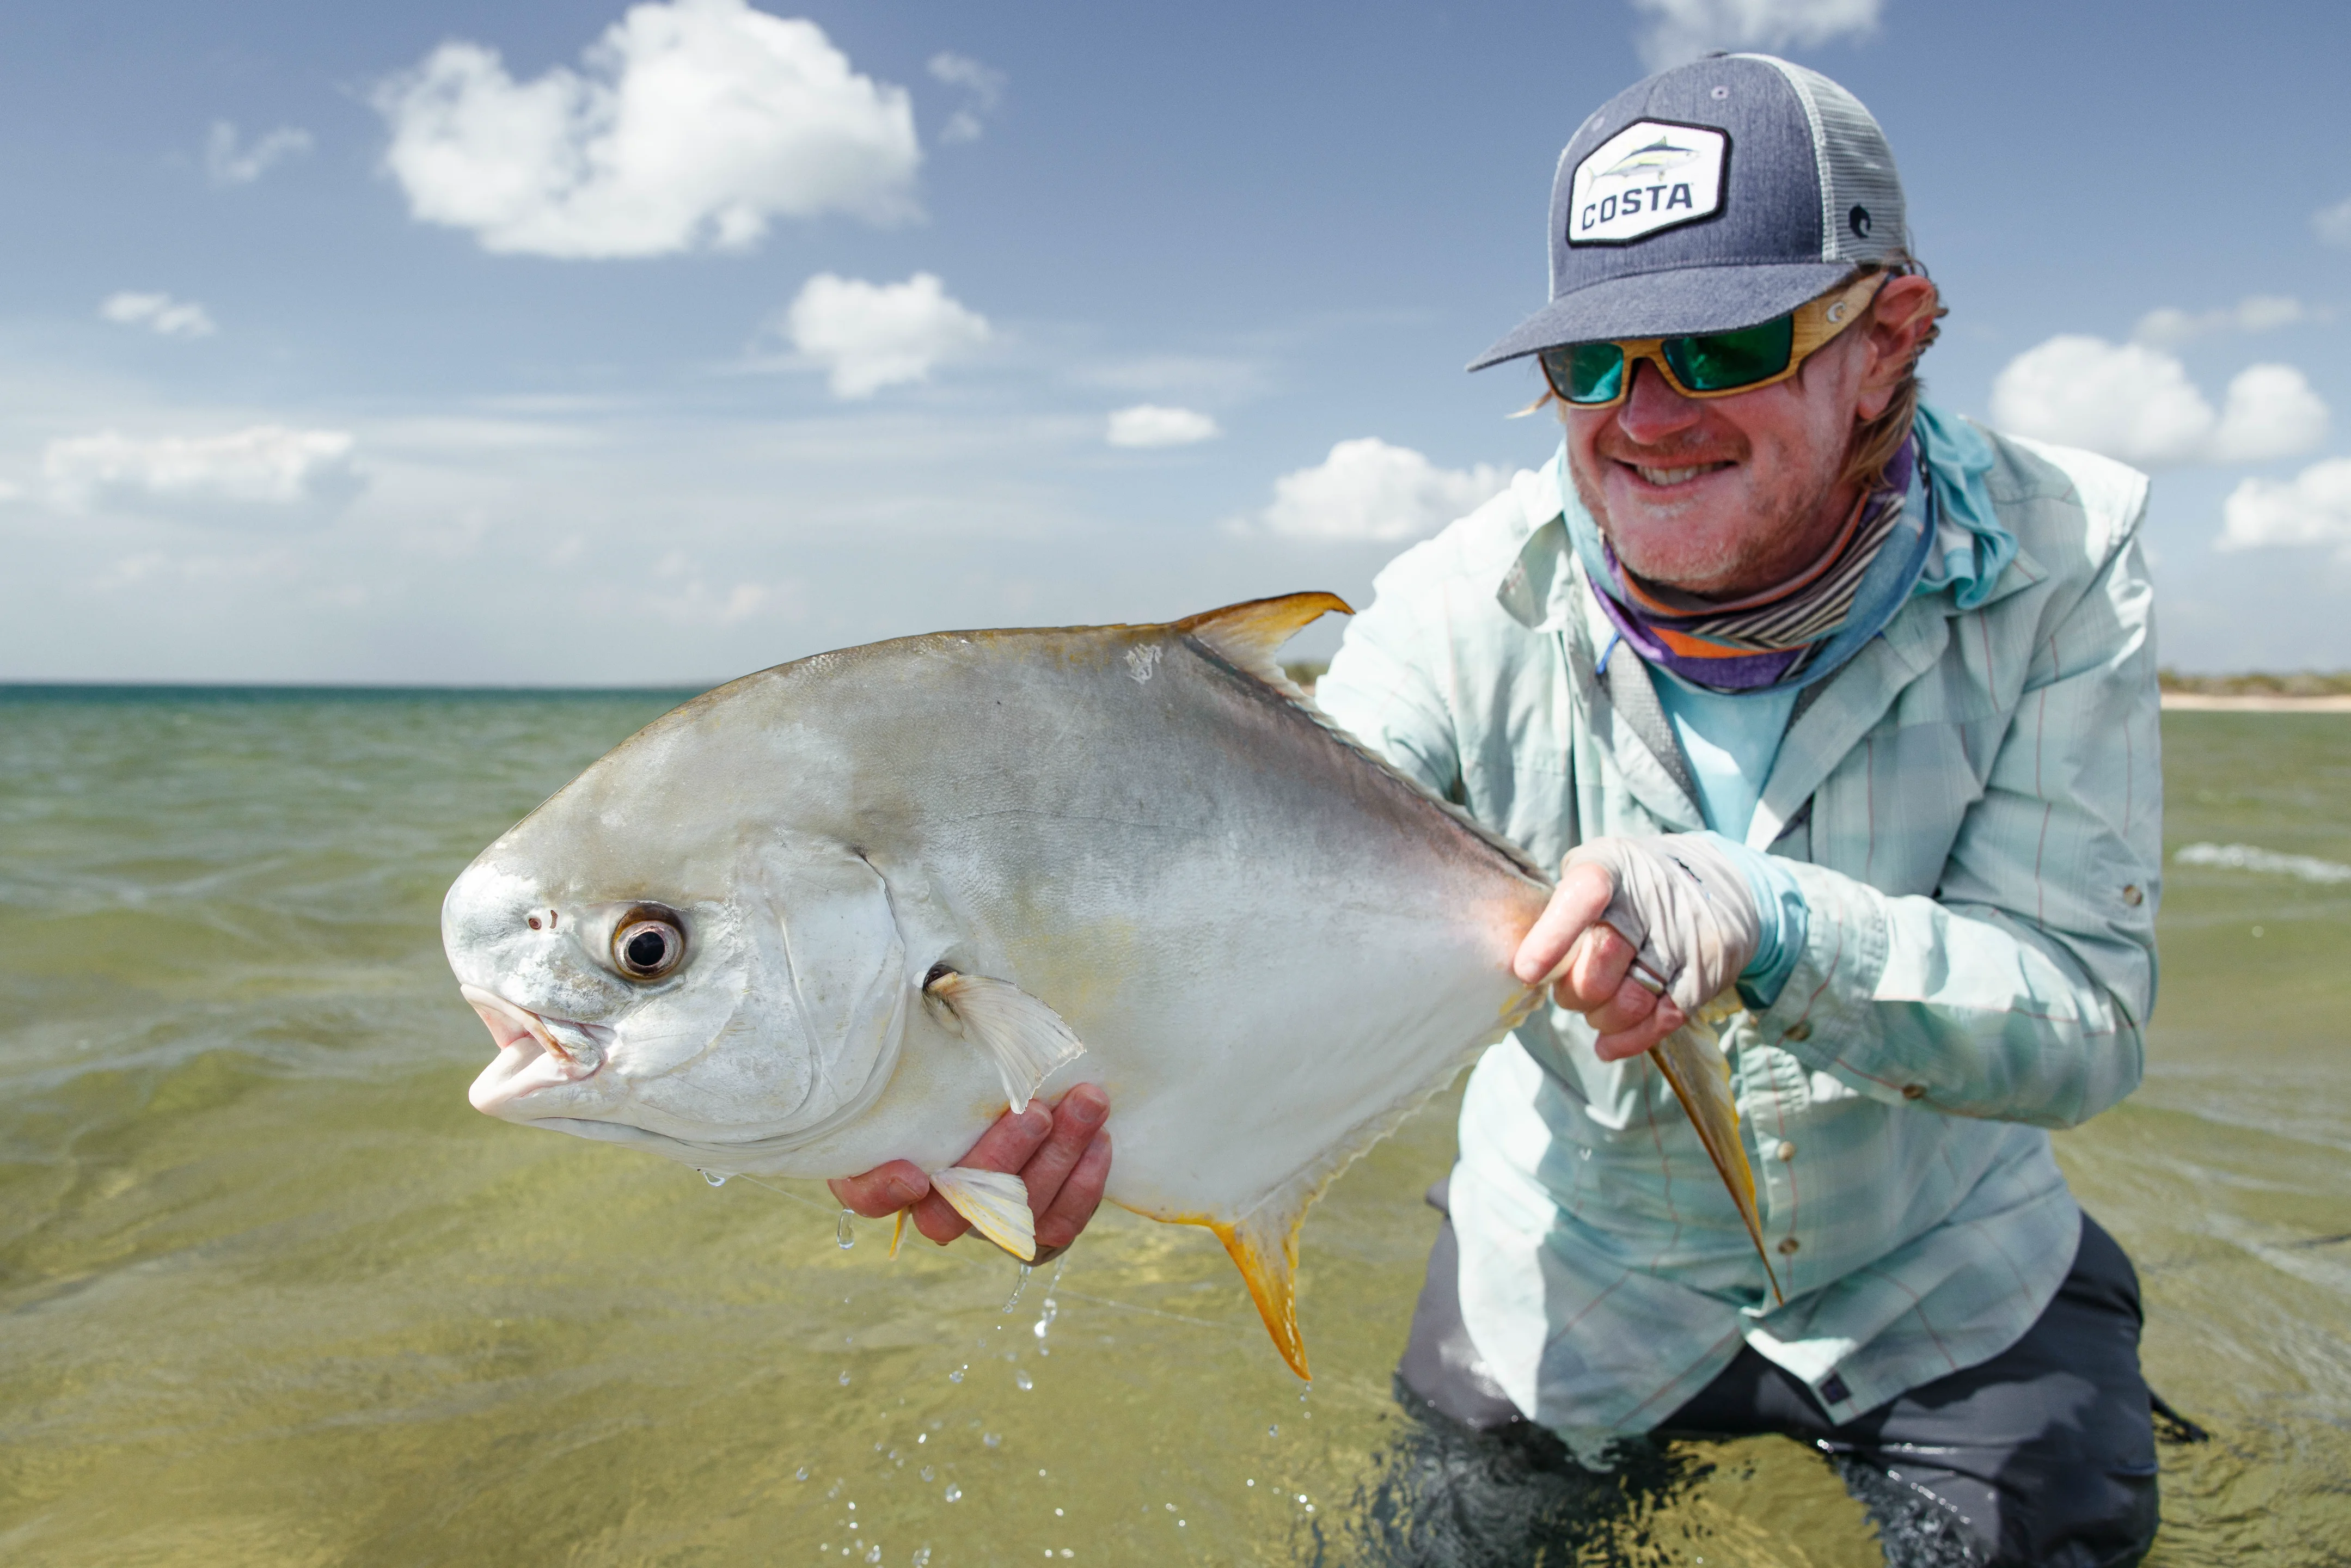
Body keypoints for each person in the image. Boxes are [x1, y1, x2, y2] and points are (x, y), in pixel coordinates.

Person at [836, 52, 2164, 1568]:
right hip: (1573, 1286)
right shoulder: (1454, 608)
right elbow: (1250, 884)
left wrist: (1767, 922)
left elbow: (2082, 1016)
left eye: (1718, 343)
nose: (1644, 418)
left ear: (1887, 338)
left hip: (1942, 1281)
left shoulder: (2067, 551)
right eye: (1591, 366)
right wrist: (981, 1088)